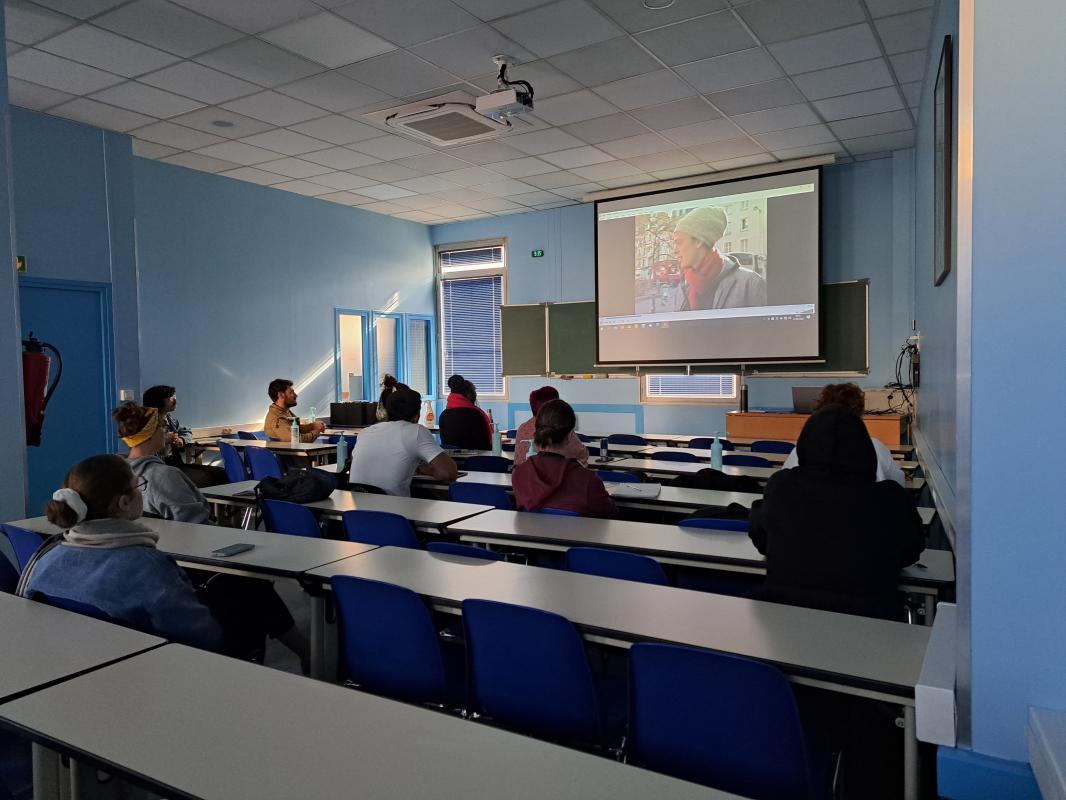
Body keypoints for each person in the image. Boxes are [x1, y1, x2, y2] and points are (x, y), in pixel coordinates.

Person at [114, 402, 310, 669]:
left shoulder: (119, 474)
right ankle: (304, 651)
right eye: (162, 428)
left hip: (152, 563)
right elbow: (196, 531)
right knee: (253, 583)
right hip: (189, 567)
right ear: (154, 433)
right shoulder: (165, 476)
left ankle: (298, 649)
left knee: (253, 586)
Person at [20, 454, 225, 652]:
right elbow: (203, 637)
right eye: (138, 486)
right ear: (124, 503)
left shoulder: (47, 557)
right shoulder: (149, 567)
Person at [748, 404, 925, 621]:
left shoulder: (782, 487)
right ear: (864, 449)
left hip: (787, 623)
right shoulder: (890, 499)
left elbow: (761, 540)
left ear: (805, 444)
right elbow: (910, 551)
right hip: (871, 630)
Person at [781, 383, 905, 486]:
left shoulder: (801, 449)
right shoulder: (876, 447)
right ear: (859, 415)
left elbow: (786, 481)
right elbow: (900, 484)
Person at [348, 381, 458, 496]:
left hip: (357, 511)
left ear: (387, 411)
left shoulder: (365, 432)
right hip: (392, 509)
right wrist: (421, 469)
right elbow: (448, 473)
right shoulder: (416, 431)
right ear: (417, 416)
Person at [512, 399, 617, 518]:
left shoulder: (519, 474)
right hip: (578, 536)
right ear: (570, 436)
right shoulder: (587, 480)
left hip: (531, 536)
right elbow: (610, 512)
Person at [666, 206, 766, 311]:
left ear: (699, 241)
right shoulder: (683, 286)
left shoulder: (750, 283)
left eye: (679, 242)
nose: (674, 250)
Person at [142, 385, 227, 488]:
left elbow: (186, 431)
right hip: (160, 468)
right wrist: (165, 439)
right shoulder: (145, 424)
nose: (175, 401)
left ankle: (212, 504)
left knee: (221, 473)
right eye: (171, 398)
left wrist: (182, 439)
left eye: (175, 397)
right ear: (158, 401)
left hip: (175, 463)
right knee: (205, 478)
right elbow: (146, 452)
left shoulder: (170, 419)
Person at [514, 386, 587, 466]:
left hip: (526, 476)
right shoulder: (561, 427)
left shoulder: (522, 428)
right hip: (559, 475)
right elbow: (581, 454)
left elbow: (517, 463)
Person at [444, 374, 492, 441]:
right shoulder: (475, 414)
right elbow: (484, 442)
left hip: (448, 451)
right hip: (476, 451)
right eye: (474, 391)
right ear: (469, 395)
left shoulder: (444, 414)